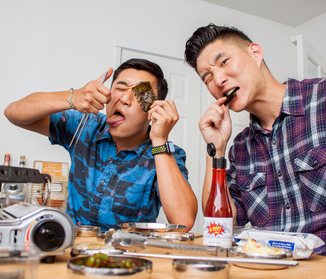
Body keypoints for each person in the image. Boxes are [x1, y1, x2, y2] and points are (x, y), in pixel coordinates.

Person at [184, 23, 326, 266]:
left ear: (255, 53)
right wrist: (216, 150)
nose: (218, 80)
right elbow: (222, 228)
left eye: (223, 63)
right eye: (207, 77)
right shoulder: (240, 149)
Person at [4, 58, 197, 231]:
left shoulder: (165, 154)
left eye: (140, 93)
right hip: (73, 254)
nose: (124, 98)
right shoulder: (84, 125)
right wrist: (72, 97)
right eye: (120, 88)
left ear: (154, 108)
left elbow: (183, 221)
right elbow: (13, 112)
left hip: (128, 261)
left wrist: (160, 141)